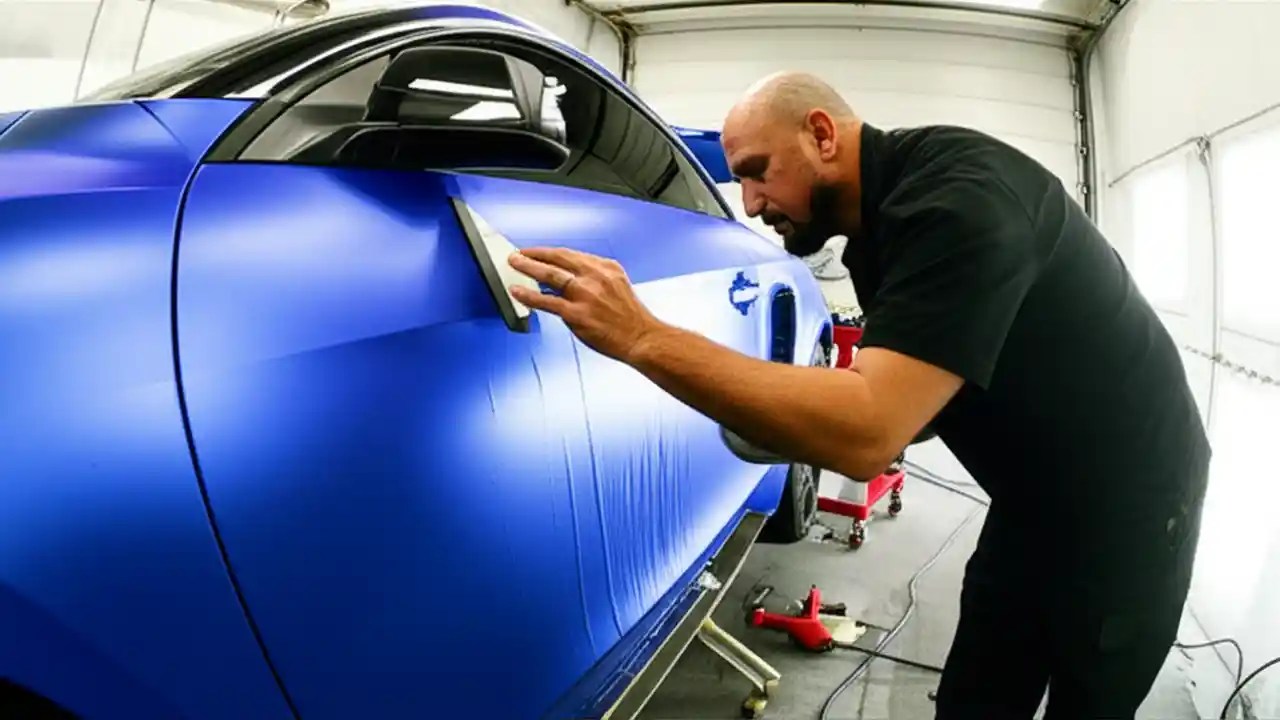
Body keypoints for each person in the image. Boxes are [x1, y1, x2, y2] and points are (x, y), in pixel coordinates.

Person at [506, 71, 1211, 718]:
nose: (750, 205)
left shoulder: (958, 204)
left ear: (820, 134)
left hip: (1133, 501)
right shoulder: (878, 224)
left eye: (757, 174)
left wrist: (642, 337)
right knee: (980, 688)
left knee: (1090, 696)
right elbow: (916, 390)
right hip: (1034, 493)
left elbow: (869, 436)